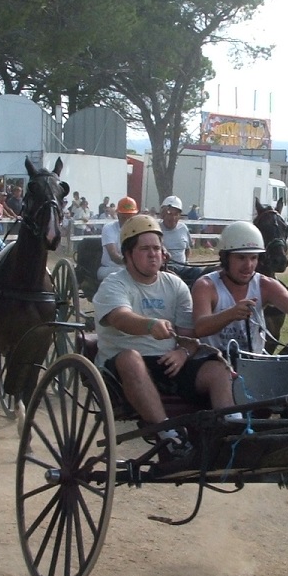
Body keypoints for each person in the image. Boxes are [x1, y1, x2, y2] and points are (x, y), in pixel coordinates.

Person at [93, 214, 236, 458]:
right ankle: (169, 435)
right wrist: (150, 325)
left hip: (169, 363)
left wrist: (183, 352)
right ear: (128, 254)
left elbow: (189, 336)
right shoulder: (114, 285)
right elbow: (120, 318)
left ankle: (231, 431)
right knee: (130, 358)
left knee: (218, 369)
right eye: (145, 249)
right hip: (121, 368)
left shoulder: (176, 285)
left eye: (157, 248)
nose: (153, 254)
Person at [192, 221, 288, 356]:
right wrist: (231, 313)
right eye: (241, 258)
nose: (248, 265)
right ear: (226, 258)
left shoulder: (265, 285)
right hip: (212, 362)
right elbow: (201, 327)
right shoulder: (206, 286)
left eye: (253, 258)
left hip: (253, 363)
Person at [100, 196, 140, 284]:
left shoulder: (139, 230)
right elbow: (113, 255)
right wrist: (133, 263)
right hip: (109, 268)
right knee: (126, 275)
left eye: (130, 218)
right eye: (123, 217)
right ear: (118, 215)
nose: (127, 221)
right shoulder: (109, 228)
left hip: (132, 269)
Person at [157, 195, 192, 269]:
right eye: (169, 214)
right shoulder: (157, 229)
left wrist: (186, 261)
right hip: (165, 269)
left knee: (198, 272)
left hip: (183, 268)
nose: (173, 218)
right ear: (163, 214)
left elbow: (187, 249)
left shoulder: (183, 228)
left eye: (176, 214)